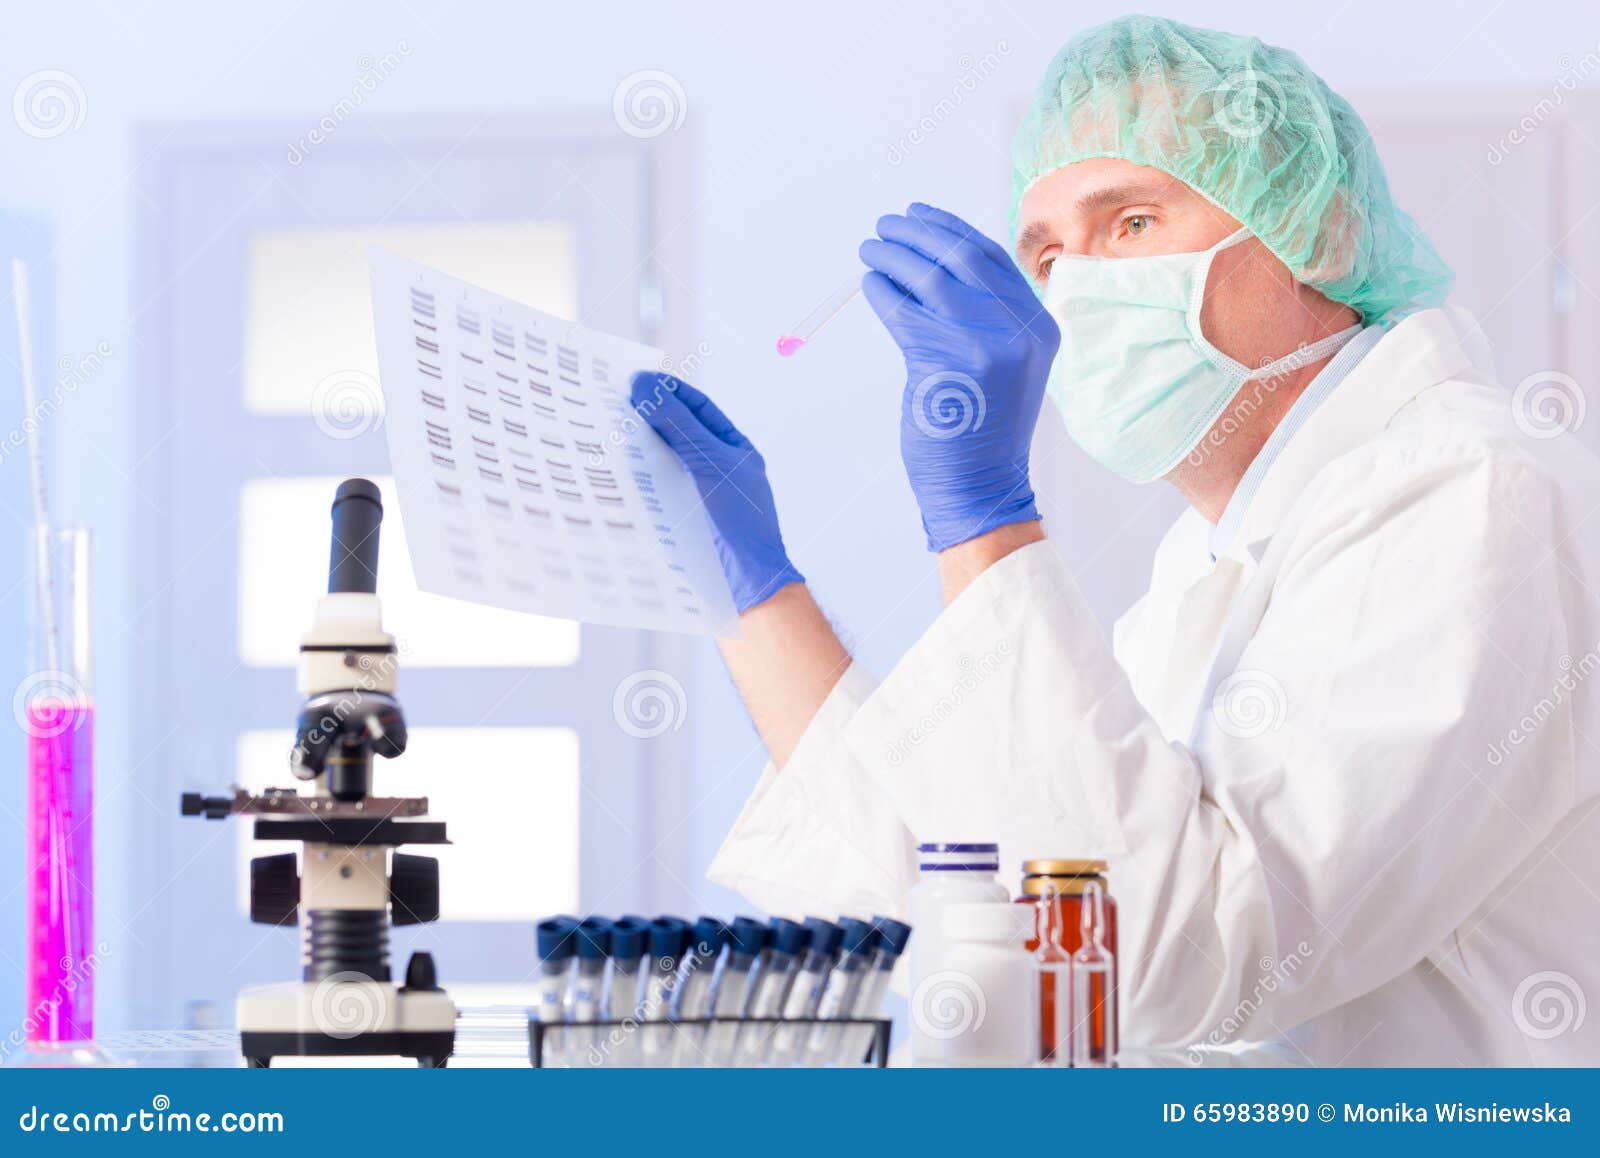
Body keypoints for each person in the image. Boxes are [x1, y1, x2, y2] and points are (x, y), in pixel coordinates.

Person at [630, 15, 1600, 1064]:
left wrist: (981, 510)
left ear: (1311, 231)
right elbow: (977, 903)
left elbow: (1159, 960)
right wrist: (750, 592)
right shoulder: (1211, 563)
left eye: (1129, 222)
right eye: (1045, 252)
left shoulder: (1473, 496)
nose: (1075, 286)